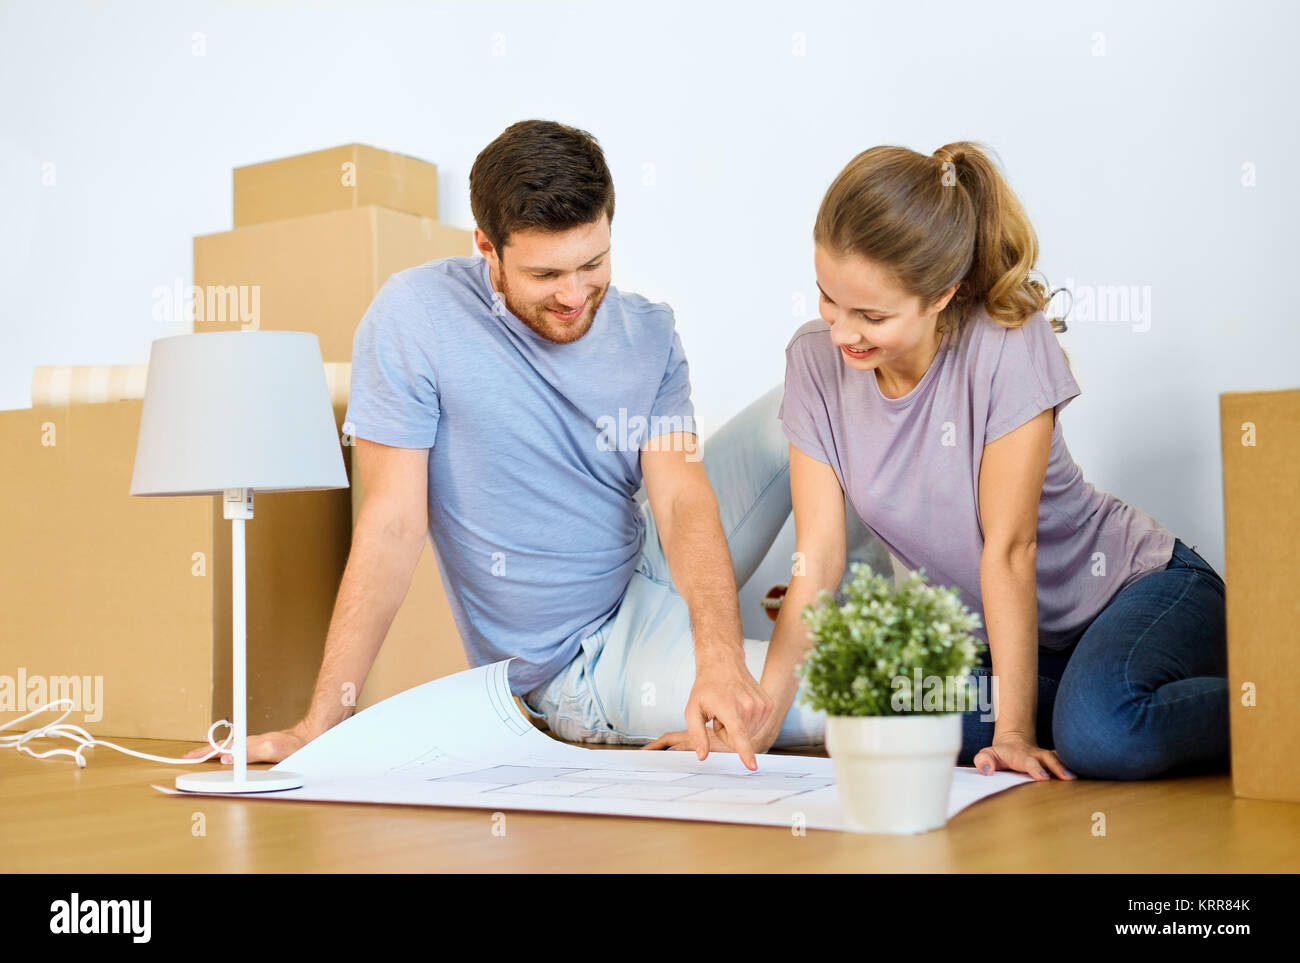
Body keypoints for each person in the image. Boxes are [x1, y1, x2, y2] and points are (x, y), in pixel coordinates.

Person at [184, 119, 890, 772]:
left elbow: (680, 499)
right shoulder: (413, 319)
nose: (575, 295)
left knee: (823, 384)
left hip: (648, 563)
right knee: (877, 699)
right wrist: (320, 723)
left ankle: (876, 598)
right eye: (546, 275)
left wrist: (721, 654)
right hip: (586, 665)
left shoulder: (649, 331)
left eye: (593, 263)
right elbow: (393, 523)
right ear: (486, 247)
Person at [694, 140, 1228, 782]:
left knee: (1104, 732)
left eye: (871, 315)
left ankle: (1258, 694)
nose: (841, 332)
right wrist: (759, 725)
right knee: (876, 715)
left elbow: (1010, 549)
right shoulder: (814, 362)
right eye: (828, 298)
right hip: (1017, 648)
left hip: (1136, 593)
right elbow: (820, 560)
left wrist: (1013, 734)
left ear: (942, 294)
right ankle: (1081, 699)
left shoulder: (1007, 342)